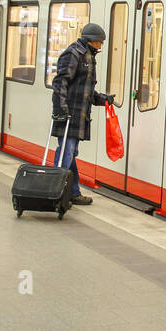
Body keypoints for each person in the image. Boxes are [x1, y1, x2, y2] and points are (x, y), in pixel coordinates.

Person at [50, 23, 113, 205]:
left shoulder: (88, 56)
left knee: (70, 153)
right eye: (99, 42)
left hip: (79, 115)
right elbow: (60, 84)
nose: (101, 46)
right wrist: (60, 110)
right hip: (69, 114)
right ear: (91, 40)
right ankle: (56, 194)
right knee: (65, 154)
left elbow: (86, 91)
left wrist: (103, 99)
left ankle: (74, 192)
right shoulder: (74, 54)